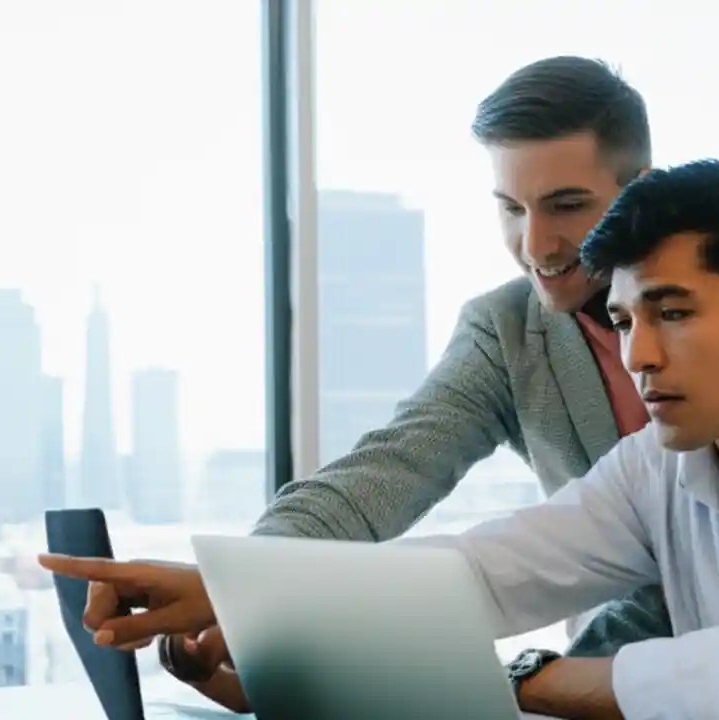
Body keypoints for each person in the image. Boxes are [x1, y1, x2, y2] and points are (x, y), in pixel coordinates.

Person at [42, 160, 719, 719]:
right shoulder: (664, 468)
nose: (639, 356)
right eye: (623, 323)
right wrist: (237, 595)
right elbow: (476, 575)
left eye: (672, 312)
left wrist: (515, 684)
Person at [97, 56, 674, 711]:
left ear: (640, 193)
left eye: (566, 206)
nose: (535, 243)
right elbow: (388, 469)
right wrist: (240, 598)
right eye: (511, 208)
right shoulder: (509, 330)